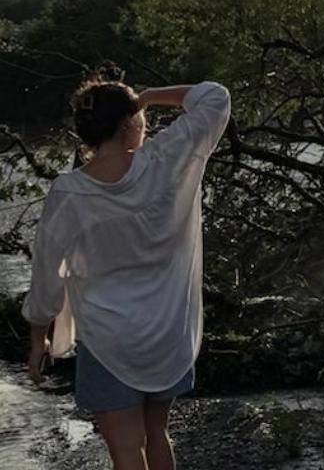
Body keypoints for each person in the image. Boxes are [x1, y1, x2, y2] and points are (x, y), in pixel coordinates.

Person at [23, 76, 231, 470]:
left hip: (108, 339)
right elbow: (215, 97)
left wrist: (39, 337)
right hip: (168, 333)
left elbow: (47, 274)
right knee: (157, 435)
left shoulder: (70, 192)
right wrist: (152, 96)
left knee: (125, 448)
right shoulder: (169, 158)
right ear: (131, 122)